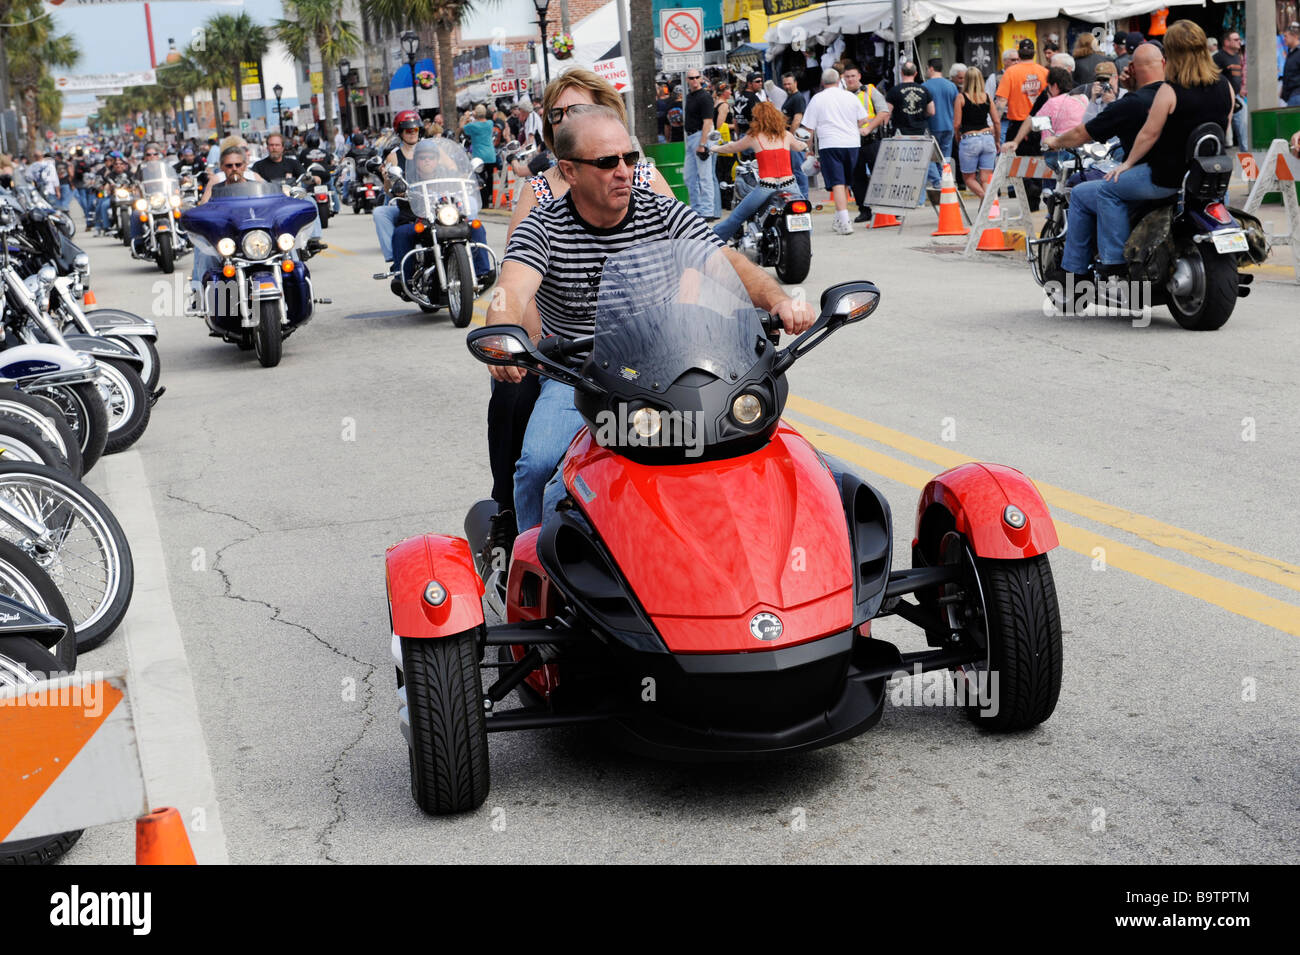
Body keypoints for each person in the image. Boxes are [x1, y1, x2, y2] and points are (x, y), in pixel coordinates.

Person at [487, 104, 816, 536]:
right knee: (539, 464)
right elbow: (510, 289)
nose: (624, 171)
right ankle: (529, 577)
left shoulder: (662, 212)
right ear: (569, 170)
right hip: (579, 376)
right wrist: (503, 328)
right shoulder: (543, 228)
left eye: (630, 158)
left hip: (671, 366)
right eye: (607, 162)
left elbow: (726, 260)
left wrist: (779, 301)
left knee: (763, 444)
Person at [489, 75, 679, 554]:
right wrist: (520, 339)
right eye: (558, 115)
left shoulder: (642, 179)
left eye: (580, 111)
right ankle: (526, 559)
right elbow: (516, 281)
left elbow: (691, 257)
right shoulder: (540, 193)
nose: (568, 120)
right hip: (567, 353)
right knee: (532, 454)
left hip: (649, 352)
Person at [707, 101, 806, 241]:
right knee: (802, 214)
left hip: (767, 186)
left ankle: (711, 240)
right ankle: (805, 237)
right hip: (789, 184)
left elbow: (732, 148)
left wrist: (714, 148)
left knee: (738, 216)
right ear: (777, 116)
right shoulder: (786, 135)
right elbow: (799, 146)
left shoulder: (754, 137)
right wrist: (804, 144)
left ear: (757, 118)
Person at [800, 68, 871, 234]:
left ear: (822, 82)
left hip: (830, 143)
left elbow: (808, 129)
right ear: (839, 81)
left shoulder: (817, 99)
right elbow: (863, 119)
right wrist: (851, 127)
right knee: (845, 182)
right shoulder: (850, 97)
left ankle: (844, 221)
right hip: (852, 143)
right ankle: (840, 217)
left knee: (837, 183)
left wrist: (808, 149)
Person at [996, 38, 1049, 211]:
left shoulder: (1010, 72)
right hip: (1040, 122)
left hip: (1018, 123)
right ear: (1034, 53)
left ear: (1018, 54)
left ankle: (1028, 188)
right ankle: (1036, 188)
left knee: (1019, 162)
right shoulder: (1044, 72)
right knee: (1039, 160)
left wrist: (996, 123)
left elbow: (1001, 101)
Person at [1003, 67, 1083, 170]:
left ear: (1054, 86)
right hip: (1079, 150)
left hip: (1056, 152)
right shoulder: (1081, 100)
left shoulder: (1053, 103)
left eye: (1048, 86)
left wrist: (1016, 141)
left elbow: (1032, 123)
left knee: (1052, 185)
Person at [374, 111, 422, 266]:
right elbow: (389, 191)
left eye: (415, 129)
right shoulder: (394, 156)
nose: (412, 133)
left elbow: (451, 168)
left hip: (434, 202)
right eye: (408, 130)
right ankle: (395, 259)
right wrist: (387, 180)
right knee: (380, 212)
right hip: (408, 204)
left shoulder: (430, 149)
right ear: (401, 133)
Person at [842, 65, 887, 221]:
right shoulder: (841, 95)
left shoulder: (869, 91)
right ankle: (865, 210)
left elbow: (883, 111)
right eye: (847, 77)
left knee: (880, 175)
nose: (850, 79)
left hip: (871, 140)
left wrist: (869, 128)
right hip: (851, 142)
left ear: (859, 76)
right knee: (857, 178)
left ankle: (887, 209)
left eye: (853, 76)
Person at [953, 68, 1000, 198]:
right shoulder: (987, 97)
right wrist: (997, 140)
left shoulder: (961, 98)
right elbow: (996, 122)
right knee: (986, 179)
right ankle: (988, 210)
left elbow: (957, 124)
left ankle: (985, 200)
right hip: (987, 137)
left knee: (969, 179)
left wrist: (958, 137)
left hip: (970, 139)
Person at [682, 69, 717, 219]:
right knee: (689, 177)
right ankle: (696, 210)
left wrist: (702, 143)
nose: (695, 80)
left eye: (697, 77)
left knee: (705, 176)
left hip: (701, 136)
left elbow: (708, 122)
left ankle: (707, 211)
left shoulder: (705, 96)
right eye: (692, 78)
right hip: (691, 137)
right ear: (687, 80)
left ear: (701, 78)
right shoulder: (690, 96)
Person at [923, 58, 959, 196]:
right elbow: (956, 106)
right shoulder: (951, 86)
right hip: (949, 125)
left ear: (931, 68)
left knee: (931, 156)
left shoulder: (925, 86)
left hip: (933, 124)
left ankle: (938, 182)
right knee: (945, 157)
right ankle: (947, 181)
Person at [461, 104, 498, 208]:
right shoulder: (490, 123)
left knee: (481, 181)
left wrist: (466, 116)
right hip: (490, 155)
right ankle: (491, 199)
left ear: (475, 113)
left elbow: (462, 127)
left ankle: (484, 203)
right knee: (490, 179)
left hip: (479, 157)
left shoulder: (473, 126)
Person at [1213, 31, 1246, 147]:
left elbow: (1239, 75)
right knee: (1223, 133)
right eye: (1236, 40)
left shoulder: (1237, 57)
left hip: (1237, 99)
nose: (1239, 42)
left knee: (1244, 131)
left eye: (1239, 39)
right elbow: (1213, 77)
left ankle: (1247, 162)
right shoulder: (1218, 57)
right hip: (1223, 99)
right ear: (1226, 42)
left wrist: (1241, 88)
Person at [779, 72, 809, 199]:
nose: (787, 86)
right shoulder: (790, 97)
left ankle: (803, 198)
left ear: (795, 83)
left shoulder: (798, 98)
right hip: (791, 139)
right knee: (793, 171)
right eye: (785, 84)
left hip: (795, 139)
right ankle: (797, 198)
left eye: (789, 84)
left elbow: (797, 120)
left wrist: (789, 138)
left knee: (799, 170)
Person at [712, 81, 736, 208]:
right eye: (729, 90)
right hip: (726, 141)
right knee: (728, 171)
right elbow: (720, 125)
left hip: (719, 141)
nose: (731, 92)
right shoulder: (724, 106)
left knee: (720, 170)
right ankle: (727, 201)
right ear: (724, 92)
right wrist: (735, 125)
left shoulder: (716, 103)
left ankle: (722, 200)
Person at [733, 72, 767, 138]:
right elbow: (759, 119)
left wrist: (738, 136)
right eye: (757, 81)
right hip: (752, 135)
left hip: (742, 135)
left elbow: (735, 120)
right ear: (749, 84)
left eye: (761, 81)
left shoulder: (738, 98)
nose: (760, 83)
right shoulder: (753, 98)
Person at [1281, 25, 1300, 107]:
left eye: (1286, 36)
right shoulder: (1291, 53)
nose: (1284, 39)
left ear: (1295, 36)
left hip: (1297, 96)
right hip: (1291, 96)